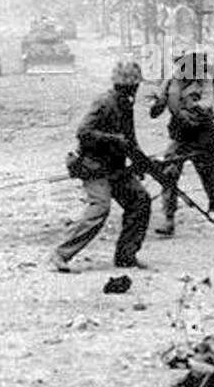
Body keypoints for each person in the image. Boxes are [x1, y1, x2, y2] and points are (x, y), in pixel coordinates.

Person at [52, 60, 153, 271]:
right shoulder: (104, 102)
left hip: (115, 167)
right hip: (94, 166)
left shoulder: (126, 104)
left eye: (134, 85)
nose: (134, 89)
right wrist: (114, 140)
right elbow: (83, 132)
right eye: (130, 85)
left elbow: (130, 139)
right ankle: (61, 254)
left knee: (140, 200)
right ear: (121, 85)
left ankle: (126, 256)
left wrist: (141, 161)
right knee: (100, 208)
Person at [150, 73, 214, 237]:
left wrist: (188, 107)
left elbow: (207, 102)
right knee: (169, 175)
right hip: (181, 136)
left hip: (202, 136)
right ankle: (168, 218)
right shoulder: (171, 81)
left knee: (209, 179)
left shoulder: (205, 79)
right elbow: (157, 109)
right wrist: (159, 102)